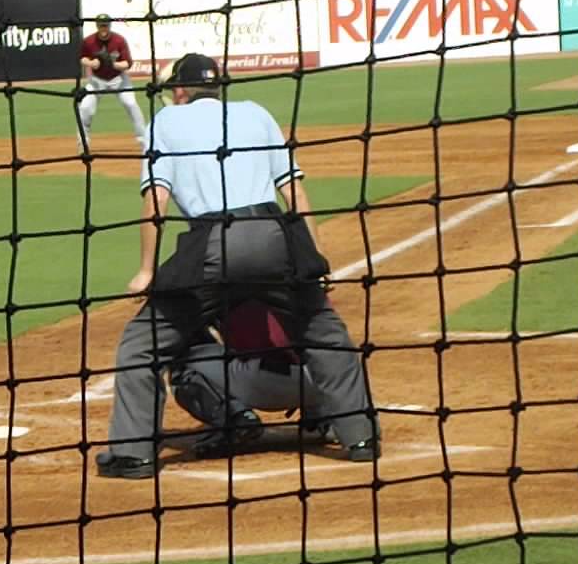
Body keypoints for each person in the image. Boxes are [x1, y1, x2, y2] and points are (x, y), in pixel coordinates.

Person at [96, 53, 379, 480]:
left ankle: (133, 455)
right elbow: (294, 192)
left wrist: (147, 270)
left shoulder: (164, 123)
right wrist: (314, 261)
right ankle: (360, 436)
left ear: (179, 91)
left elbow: (156, 200)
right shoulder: (255, 113)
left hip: (211, 245)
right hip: (274, 238)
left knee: (143, 344)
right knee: (323, 331)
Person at [170, 300, 381, 459]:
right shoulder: (298, 262)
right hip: (330, 379)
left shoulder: (222, 268)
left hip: (268, 382)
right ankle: (332, 417)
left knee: (182, 361)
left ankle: (235, 420)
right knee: (322, 339)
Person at [77, 13, 148, 154]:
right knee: (85, 108)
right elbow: (82, 58)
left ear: (110, 25)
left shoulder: (119, 40)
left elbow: (127, 63)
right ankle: (83, 144)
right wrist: (91, 63)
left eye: (106, 24)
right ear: (97, 26)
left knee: (131, 104)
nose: (103, 27)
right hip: (97, 81)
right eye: (101, 25)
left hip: (119, 79)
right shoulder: (89, 41)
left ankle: (144, 142)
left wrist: (113, 64)